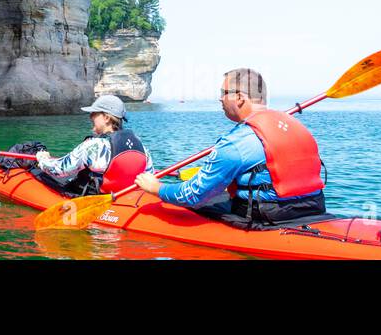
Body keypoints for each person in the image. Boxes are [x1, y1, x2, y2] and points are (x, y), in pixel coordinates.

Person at [134, 68, 326, 224]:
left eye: (224, 93)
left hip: (269, 215)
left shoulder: (236, 142)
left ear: (240, 98)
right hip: (313, 206)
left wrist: (156, 188)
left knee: (202, 199)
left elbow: (192, 195)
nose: (220, 99)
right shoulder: (296, 126)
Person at [34, 95, 154, 197]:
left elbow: (59, 170)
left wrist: (42, 159)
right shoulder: (142, 147)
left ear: (106, 118)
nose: (90, 116)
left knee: (35, 171)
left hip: (95, 198)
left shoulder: (94, 146)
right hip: (123, 198)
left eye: (94, 113)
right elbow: (150, 178)